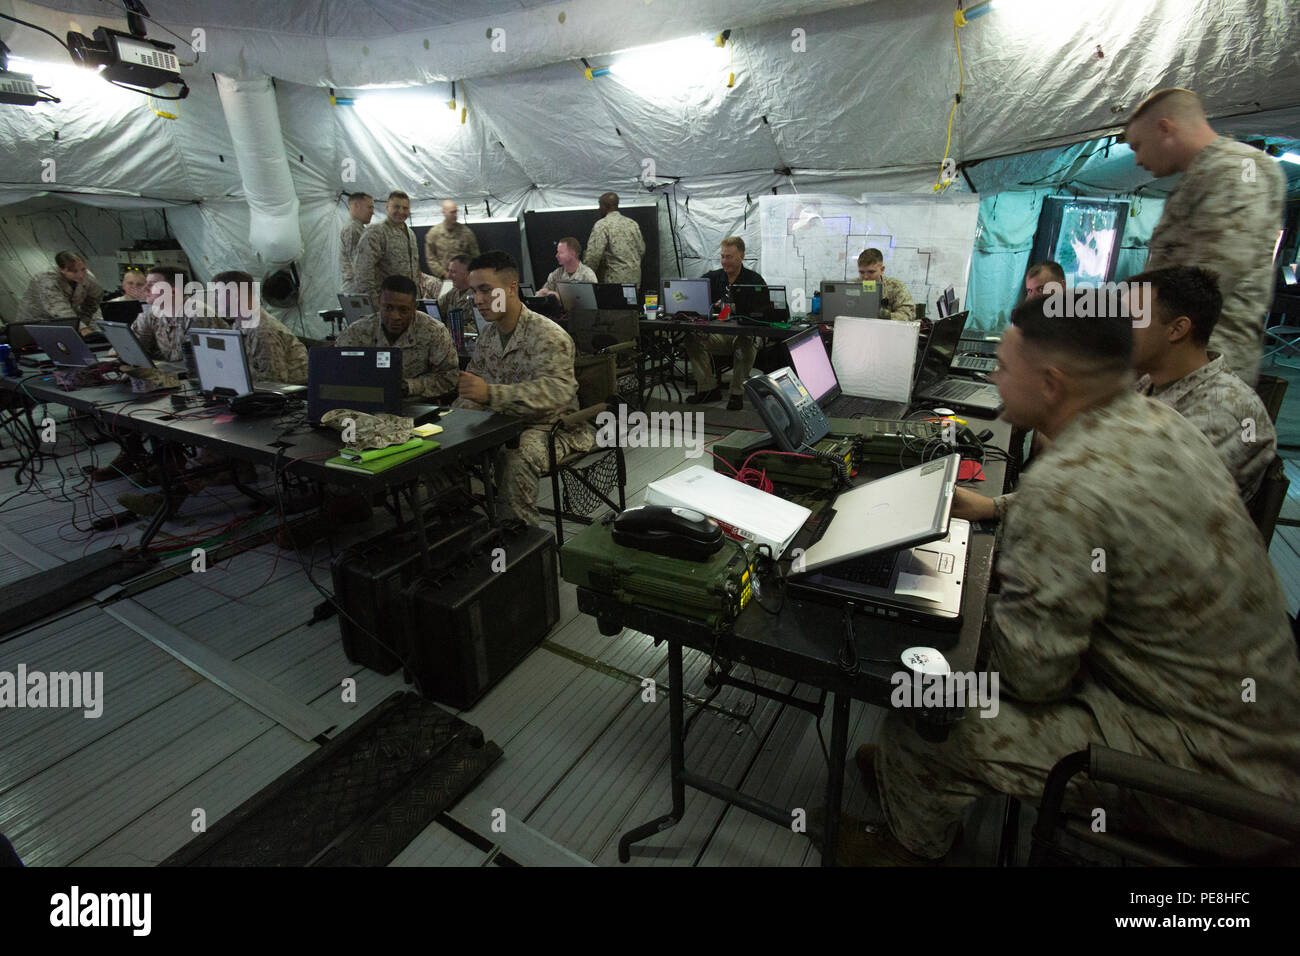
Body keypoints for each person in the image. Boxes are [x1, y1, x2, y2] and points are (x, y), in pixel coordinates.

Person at [844, 290, 1300, 866]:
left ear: (1052, 384)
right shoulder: (1157, 420)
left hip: (1208, 778)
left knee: (925, 709)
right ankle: (906, 775)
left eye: (1004, 368)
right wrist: (999, 517)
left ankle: (908, 843)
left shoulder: (1065, 490)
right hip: (1251, 738)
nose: (995, 377)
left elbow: (1032, 677)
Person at [954, 266, 1276, 521]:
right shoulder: (1146, 383)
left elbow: (1122, 503)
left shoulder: (1223, 412)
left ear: (1176, 329)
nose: (1118, 327)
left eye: (1132, 317)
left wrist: (998, 508)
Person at [1127, 88, 1285, 385]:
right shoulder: (1201, 177)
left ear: (1164, 128)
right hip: (1173, 361)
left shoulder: (1237, 170)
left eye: (1138, 145)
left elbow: (1206, 285)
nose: (1136, 160)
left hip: (1205, 371)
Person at [454, 250, 592, 526]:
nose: (478, 300)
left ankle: (522, 543)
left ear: (511, 287)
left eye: (485, 290)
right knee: (445, 452)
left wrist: (491, 395)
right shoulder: (488, 337)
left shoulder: (549, 336)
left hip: (552, 429)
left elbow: (558, 394)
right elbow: (472, 387)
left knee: (515, 459)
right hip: (499, 425)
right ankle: (459, 528)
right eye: (474, 292)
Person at [335, 274, 459, 400]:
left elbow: (449, 377)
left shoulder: (434, 332)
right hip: (366, 403)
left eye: (403, 310)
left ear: (414, 307)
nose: (395, 316)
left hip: (415, 404)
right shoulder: (358, 331)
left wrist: (409, 387)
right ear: (379, 302)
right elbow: (336, 370)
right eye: (388, 308)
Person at [682, 236, 765, 410]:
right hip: (720, 335)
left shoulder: (754, 280)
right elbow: (693, 295)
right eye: (722, 256)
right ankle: (708, 388)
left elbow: (763, 311)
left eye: (729, 257)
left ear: (741, 256)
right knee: (691, 338)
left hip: (743, 334)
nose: (724, 261)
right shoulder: (712, 278)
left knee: (745, 342)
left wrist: (735, 308)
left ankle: (737, 393)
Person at [210, 270, 308, 385]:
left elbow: (274, 384)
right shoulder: (240, 323)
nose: (215, 300)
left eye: (217, 293)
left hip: (289, 396)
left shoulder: (263, 331)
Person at [131, 270, 226, 363]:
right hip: (172, 370)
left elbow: (195, 358)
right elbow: (136, 347)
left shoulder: (198, 314)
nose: (144, 288)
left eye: (152, 284)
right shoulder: (152, 313)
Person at [11, 251, 104, 334]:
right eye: (74, 271)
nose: (80, 275)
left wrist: (85, 322)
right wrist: (82, 328)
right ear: (62, 269)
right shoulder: (47, 280)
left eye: (83, 269)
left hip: (67, 322)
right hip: (35, 323)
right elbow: (59, 309)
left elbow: (94, 300)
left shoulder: (88, 278)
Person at [353, 190, 421, 304]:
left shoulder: (411, 234)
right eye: (396, 207)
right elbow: (363, 272)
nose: (401, 211)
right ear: (387, 207)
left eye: (405, 208)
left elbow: (415, 269)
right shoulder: (376, 232)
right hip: (388, 304)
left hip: (409, 302)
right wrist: (375, 304)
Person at [583, 192, 645, 286]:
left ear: (605, 206)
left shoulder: (602, 225)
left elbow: (593, 256)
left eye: (600, 205)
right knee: (631, 301)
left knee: (614, 301)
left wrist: (585, 277)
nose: (599, 209)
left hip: (614, 281)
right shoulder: (632, 224)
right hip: (635, 280)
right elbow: (641, 250)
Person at [423, 199, 480, 283]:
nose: (455, 215)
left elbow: (475, 257)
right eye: (452, 212)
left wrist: (468, 273)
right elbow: (431, 259)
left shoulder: (466, 233)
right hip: (443, 279)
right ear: (444, 212)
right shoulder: (434, 234)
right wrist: (445, 274)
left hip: (464, 279)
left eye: (456, 212)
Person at [857, 248, 915, 321]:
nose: (865, 277)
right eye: (862, 272)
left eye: (871, 272)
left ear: (882, 270)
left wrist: (883, 316)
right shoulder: (852, 287)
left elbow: (908, 314)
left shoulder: (895, 286)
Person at [339, 192, 374, 293]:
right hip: (357, 291)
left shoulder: (359, 228)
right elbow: (359, 266)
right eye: (369, 207)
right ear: (356, 206)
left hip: (359, 289)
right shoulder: (353, 229)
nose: (372, 212)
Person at [437, 254, 477, 333]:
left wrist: (446, 332)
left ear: (468, 273)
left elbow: (476, 329)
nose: (449, 276)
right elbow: (437, 309)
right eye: (449, 271)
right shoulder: (453, 292)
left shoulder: (477, 296)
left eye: (453, 272)